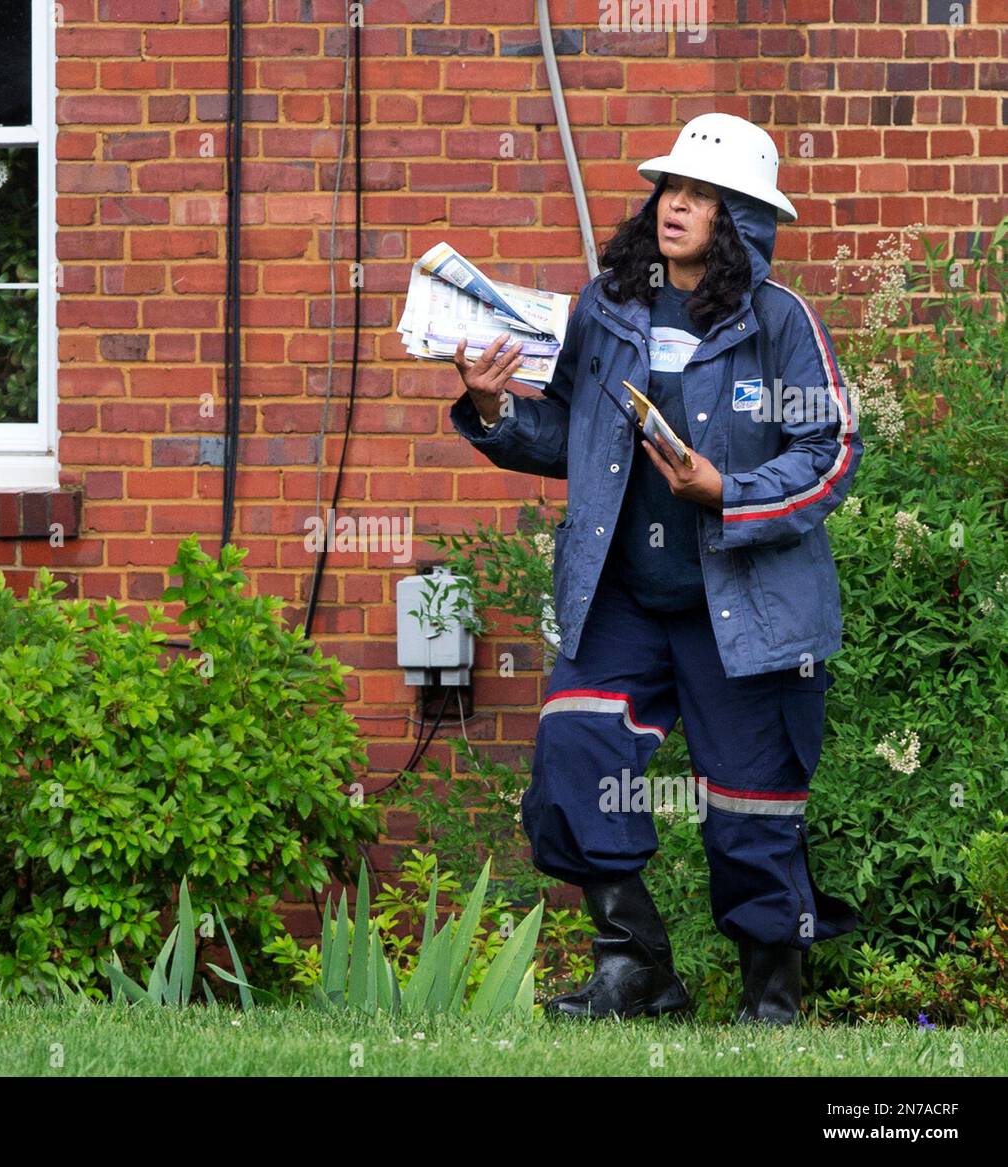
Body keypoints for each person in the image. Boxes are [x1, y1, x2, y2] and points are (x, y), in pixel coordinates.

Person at [449, 112, 863, 1025]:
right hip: (625, 599)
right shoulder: (607, 308)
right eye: (671, 189)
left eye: (701, 194)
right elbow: (568, 434)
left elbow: (831, 451)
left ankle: (772, 996)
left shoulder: (780, 322)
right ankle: (635, 966)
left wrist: (730, 491)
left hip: (745, 608)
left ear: (743, 218)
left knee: (754, 810)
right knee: (574, 752)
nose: (677, 205)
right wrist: (492, 407)